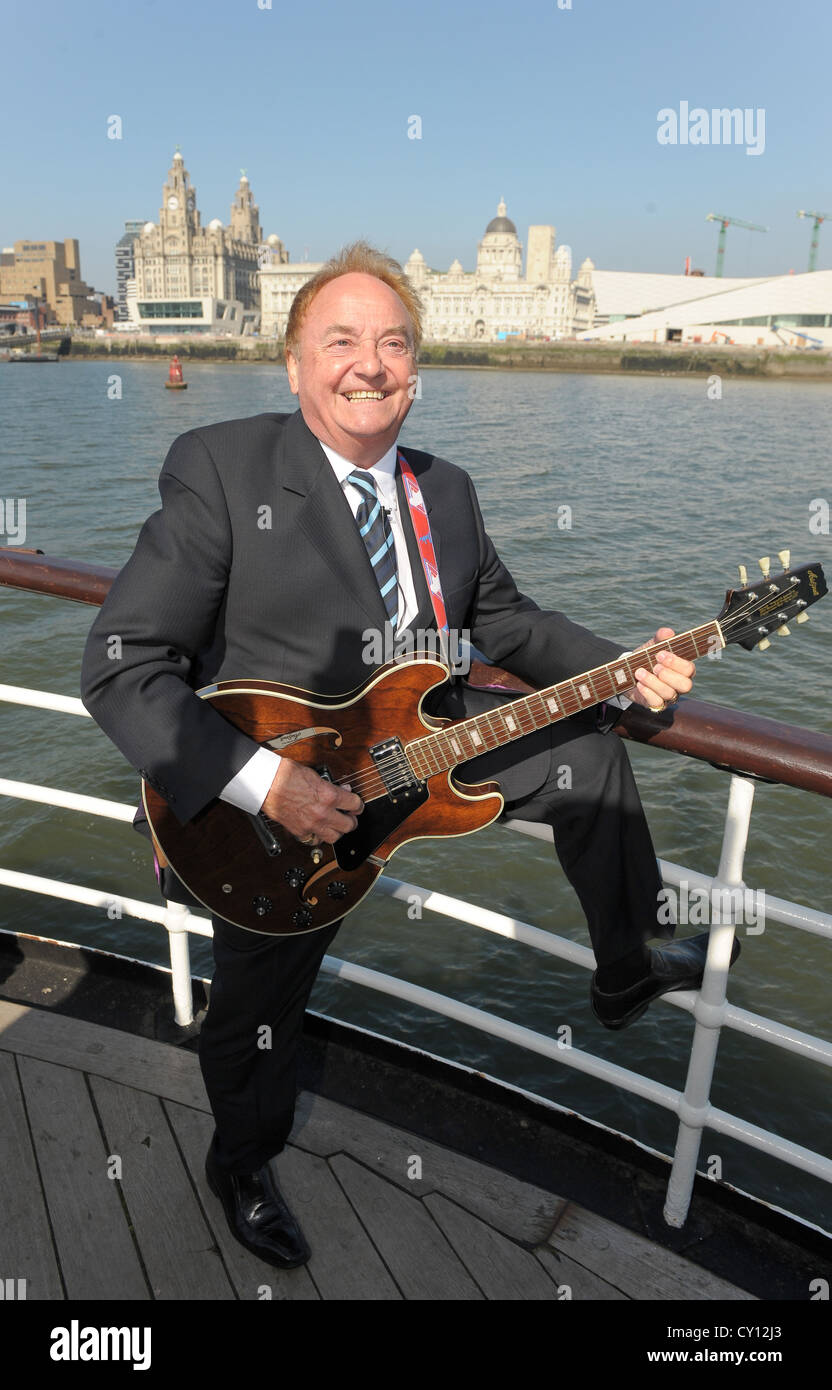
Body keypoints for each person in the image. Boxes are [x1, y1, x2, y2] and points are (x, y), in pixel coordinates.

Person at [80, 242, 735, 1272]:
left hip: (418, 751)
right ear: (295, 364)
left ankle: (623, 967)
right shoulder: (221, 466)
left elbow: (507, 623)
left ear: (417, 369)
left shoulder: (449, 489)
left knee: (587, 758)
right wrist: (269, 783)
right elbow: (123, 665)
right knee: (259, 1011)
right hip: (269, 806)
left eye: (393, 343)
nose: (370, 364)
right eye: (340, 340)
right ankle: (240, 1161)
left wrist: (628, 666)